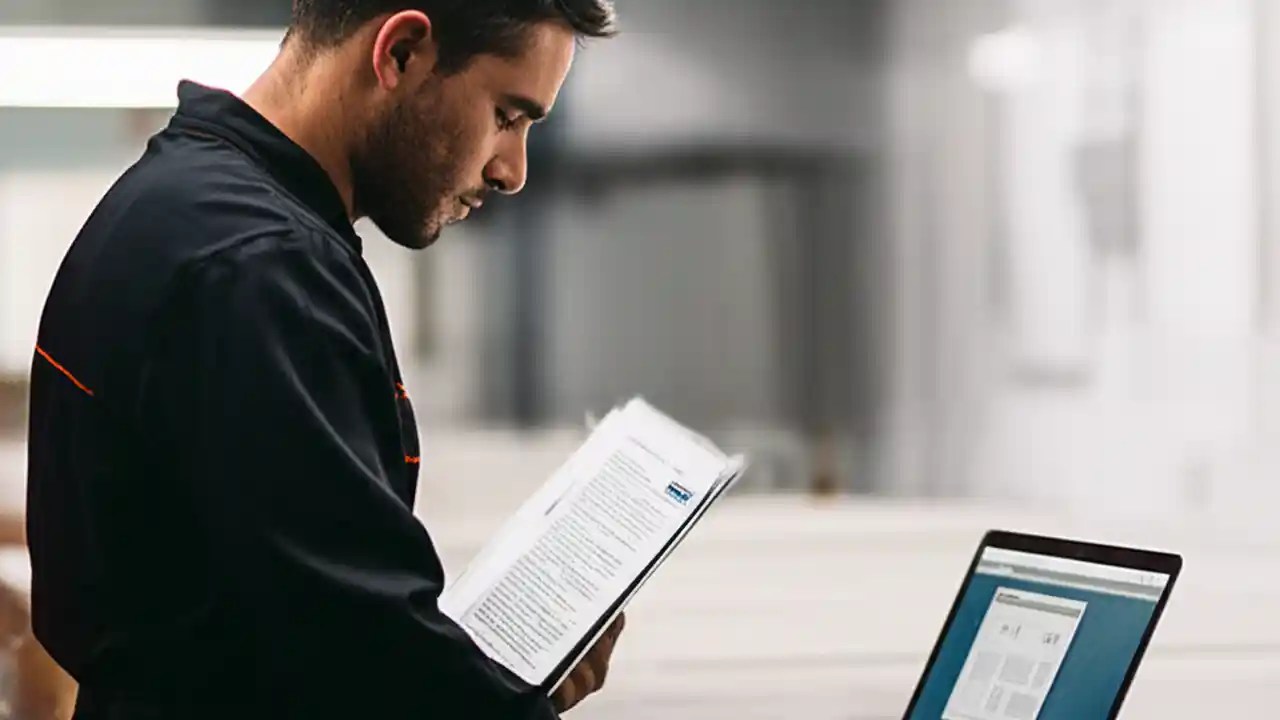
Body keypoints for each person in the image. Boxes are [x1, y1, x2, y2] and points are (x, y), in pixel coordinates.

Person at [25, 1, 621, 717]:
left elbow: (291, 610)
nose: (512, 171)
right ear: (399, 52)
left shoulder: (183, 207)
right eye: (507, 115)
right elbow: (353, 653)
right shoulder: (259, 269)